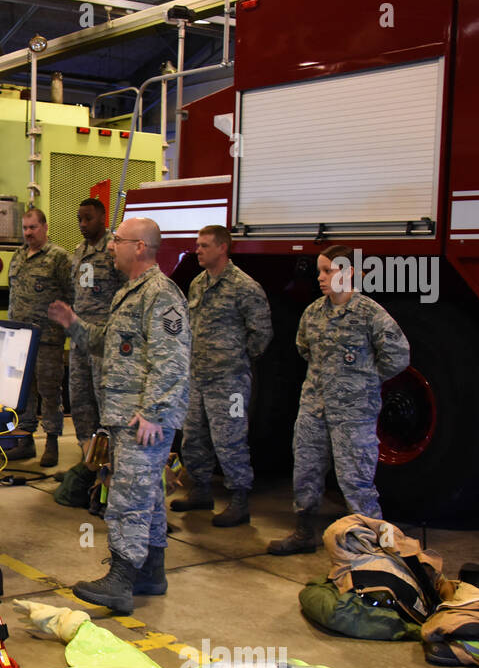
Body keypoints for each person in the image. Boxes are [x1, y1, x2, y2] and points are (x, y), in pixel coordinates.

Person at [47, 218, 190, 612]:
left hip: (143, 421)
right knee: (148, 496)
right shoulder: (129, 293)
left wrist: (154, 413)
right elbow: (107, 343)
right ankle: (150, 573)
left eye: (118, 240)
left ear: (140, 247)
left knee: (127, 497)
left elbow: (172, 361)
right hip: (128, 416)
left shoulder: (161, 295)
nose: (111, 246)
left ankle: (121, 579)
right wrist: (73, 324)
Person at [268, 244, 410, 555]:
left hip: (353, 413)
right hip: (314, 409)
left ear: (347, 273)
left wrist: (363, 381)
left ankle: (373, 549)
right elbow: (304, 349)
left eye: (327, 271)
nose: (320, 277)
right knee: (305, 471)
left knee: (355, 480)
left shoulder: (370, 314)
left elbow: (398, 356)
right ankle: (304, 532)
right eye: (319, 270)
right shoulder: (313, 313)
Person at [171, 225, 273, 527]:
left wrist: (234, 360)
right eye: (197, 245)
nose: (197, 250)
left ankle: (239, 500)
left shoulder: (244, 287)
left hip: (230, 383)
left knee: (230, 441)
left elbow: (261, 334)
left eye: (203, 245)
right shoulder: (198, 284)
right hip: (198, 378)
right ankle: (201, 491)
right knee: (193, 438)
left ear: (222, 248)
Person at [7, 208, 73, 467]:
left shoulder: (59, 258)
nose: (28, 233)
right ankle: (25, 441)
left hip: (47, 338)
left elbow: (72, 294)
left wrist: (67, 327)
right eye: (24, 228)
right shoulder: (18, 256)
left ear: (45, 227)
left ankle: (52, 442)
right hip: (20, 338)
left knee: (49, 391)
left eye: (33, 227)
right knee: (24, 391)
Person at [68, 197, 123, 457]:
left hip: (103, 341)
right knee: (80, 399)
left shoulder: (114, 249)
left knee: (105, 401)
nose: (82, 224)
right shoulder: (79, 251)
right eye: (79, 218)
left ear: (103, 218)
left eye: (87, 218)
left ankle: (109, 462)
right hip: (79, 338)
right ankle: (87, 458)